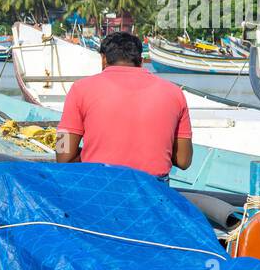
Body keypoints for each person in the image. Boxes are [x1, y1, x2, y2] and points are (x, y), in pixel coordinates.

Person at [56, 31, 193, 180]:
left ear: (103, 59)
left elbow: (63, 154)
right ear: (140, 61)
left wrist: (87, 155)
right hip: (154, 191)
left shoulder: (80, 89)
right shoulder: (174, 93)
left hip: (101, 187)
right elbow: (184, 160)